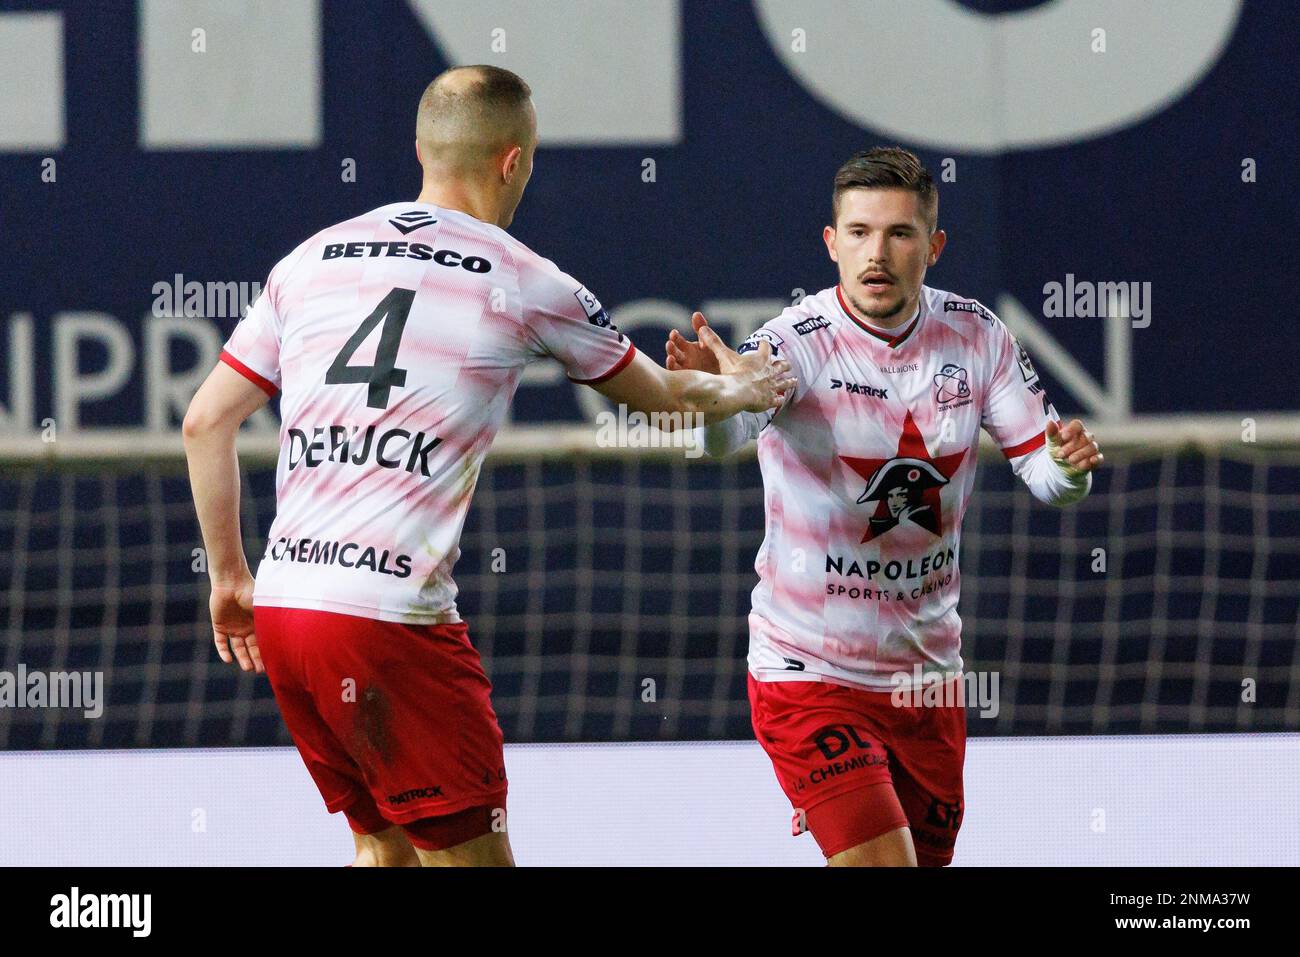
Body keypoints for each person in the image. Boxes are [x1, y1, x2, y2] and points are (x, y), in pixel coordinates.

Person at [183, 65, 793, 867]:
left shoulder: (310, 259)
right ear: (514, 162)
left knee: (385, 851)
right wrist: (742, 383)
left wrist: (231, 577)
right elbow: (664, 399)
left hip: (290, 608)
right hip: (388, 619)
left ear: (420, 148)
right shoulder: (527, 280)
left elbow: (204, 420)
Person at [666, 147, 1102, 866]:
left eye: (900, 234)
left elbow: (1046, 473)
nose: (878, 253)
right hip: (807, 672)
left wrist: (1068, 465)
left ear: (932, 247)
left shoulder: (977, 335)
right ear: (832, 244)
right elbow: (725, 437)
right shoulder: (793, 342)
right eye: (860, 232)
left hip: (927, 676)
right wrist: (717, 398)